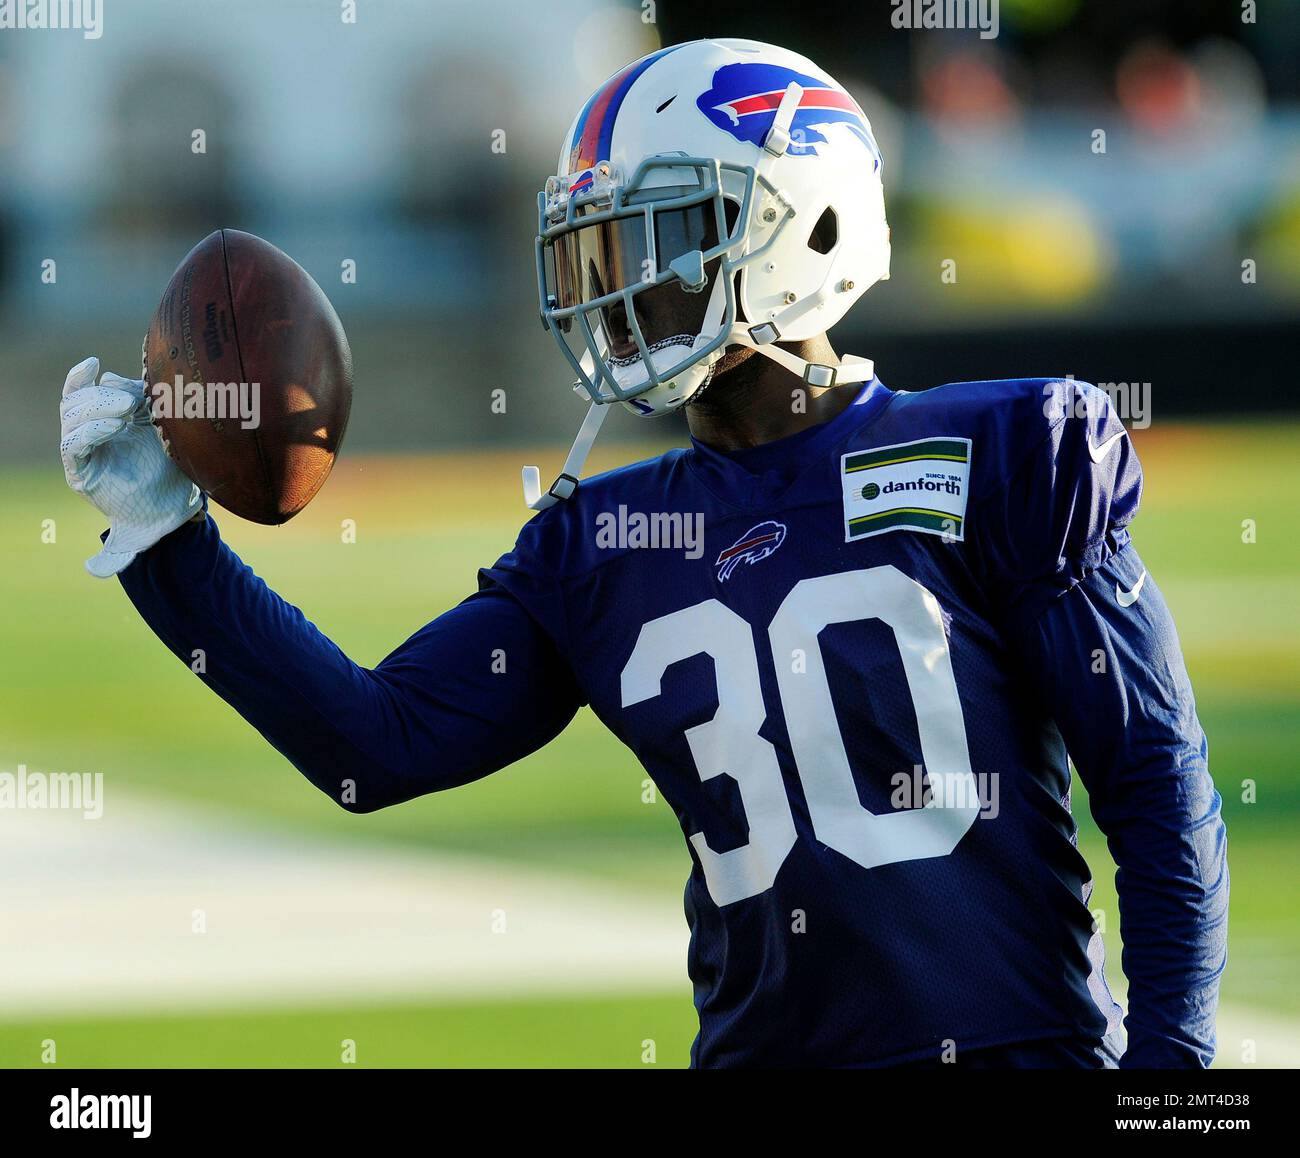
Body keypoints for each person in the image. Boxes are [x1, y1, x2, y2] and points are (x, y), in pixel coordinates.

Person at [59, 38, 1227, 1068]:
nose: (615, 292)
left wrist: (1169, 1068)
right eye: (593, 252)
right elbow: (378, 747)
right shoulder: (601, 537)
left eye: (653, 240)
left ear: (796, 220)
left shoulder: (1001, 449)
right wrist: (171, 543)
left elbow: (1151, 778)